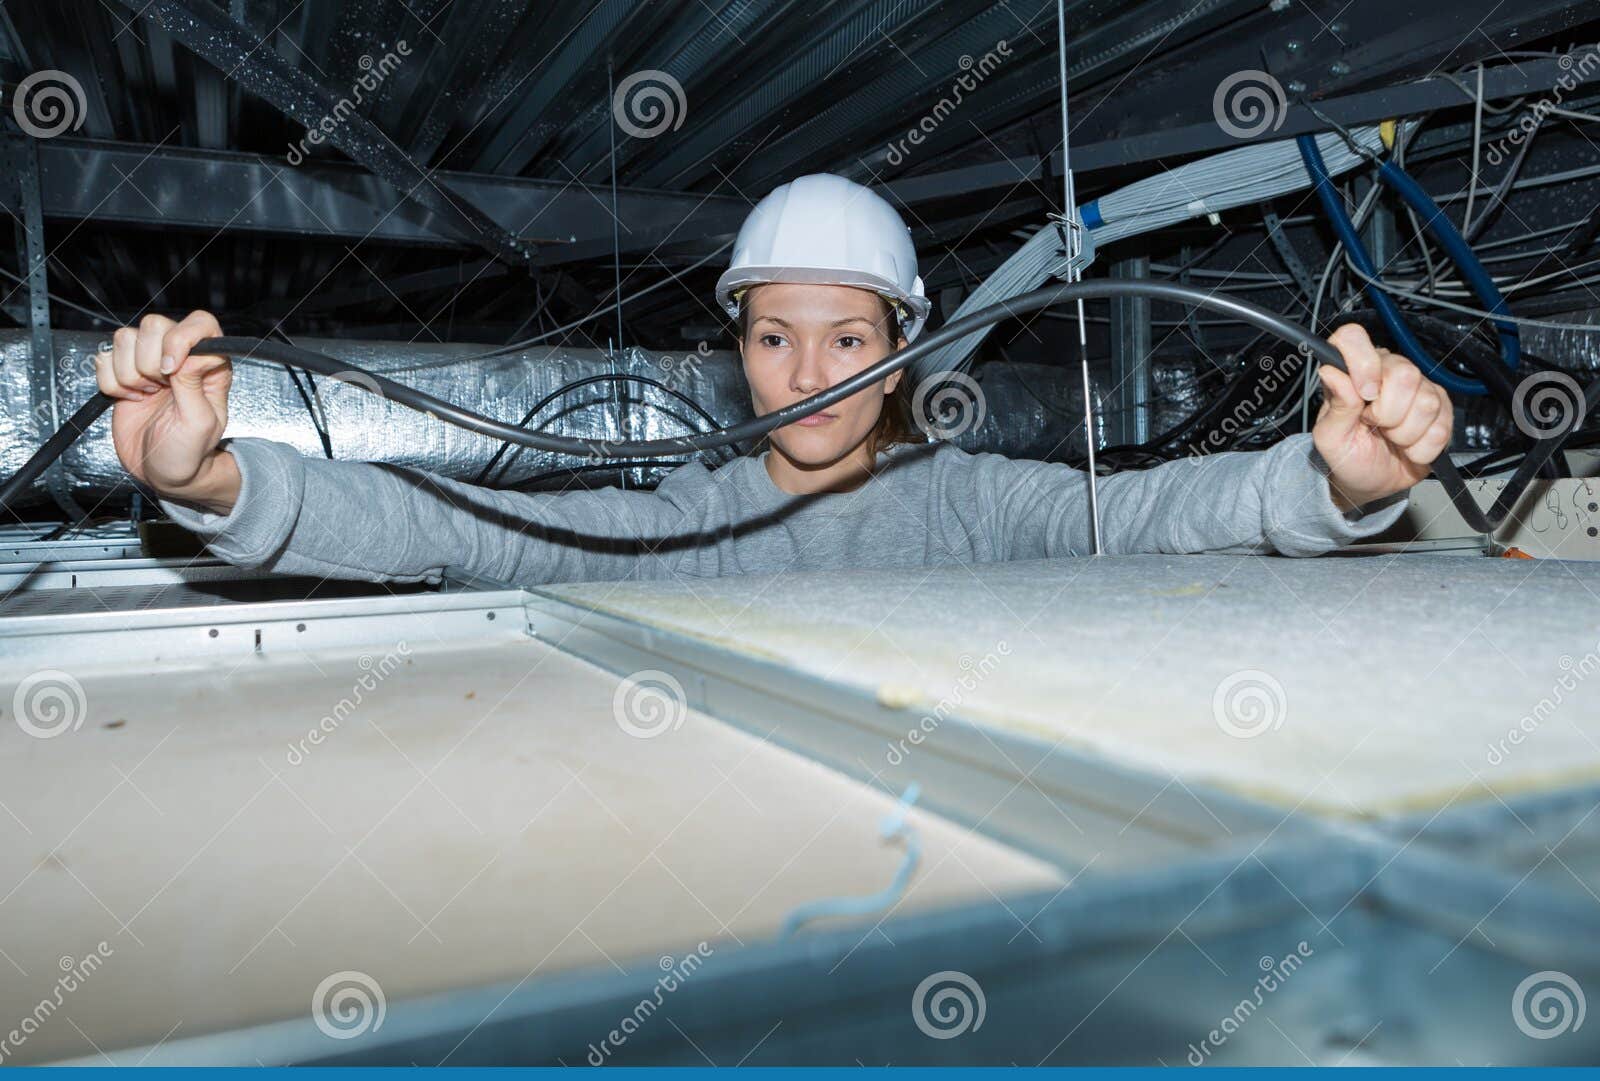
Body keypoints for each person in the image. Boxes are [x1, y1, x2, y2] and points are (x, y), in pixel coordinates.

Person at [97, 174, 1445, 587]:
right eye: (774, 337)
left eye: (849, 339)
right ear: (737, 347)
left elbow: (1159, 515)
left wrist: (1331, 486)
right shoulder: (694, 519)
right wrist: (215, 482)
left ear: (905, 346)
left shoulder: (974, 503)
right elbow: (448, 532)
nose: (806, 374)